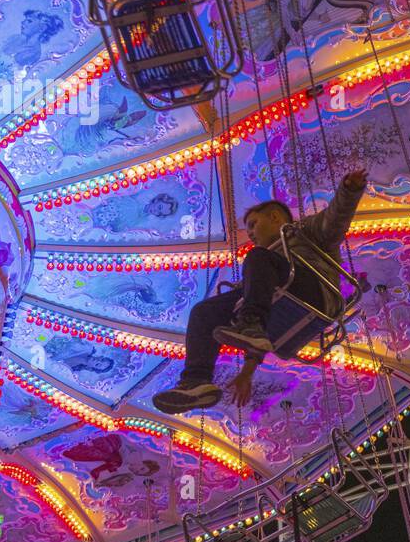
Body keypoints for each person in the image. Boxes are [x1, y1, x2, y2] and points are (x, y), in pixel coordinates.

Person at [152, 169, 367, 414]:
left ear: (275, 217)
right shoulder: (262, 268)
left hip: (313, 290)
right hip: (279, 297)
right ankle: (196, 381)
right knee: (204, 311)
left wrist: (349, 190)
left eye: (253, 225)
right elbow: (260, 334)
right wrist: (247, 373)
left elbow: (334, 219)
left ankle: (249, 322)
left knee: (257, 257)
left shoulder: (305, 231)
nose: (251, 234)